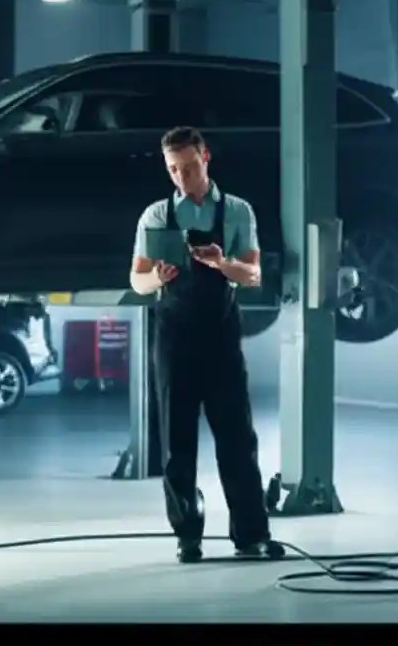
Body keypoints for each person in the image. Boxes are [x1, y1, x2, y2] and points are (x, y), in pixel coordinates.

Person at [129, 126, 284, 564]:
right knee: (177, 442)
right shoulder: (156, 216)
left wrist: (222, 261)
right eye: (173, 170)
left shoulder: (236, 211)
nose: (181, 178)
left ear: (206, 157)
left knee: (237, 437)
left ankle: (252, 535)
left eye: (189, 167)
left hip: (220, 337)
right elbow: (136, 280)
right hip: (174, 336)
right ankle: (188, 537)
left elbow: (252, 276)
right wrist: (157, 277)